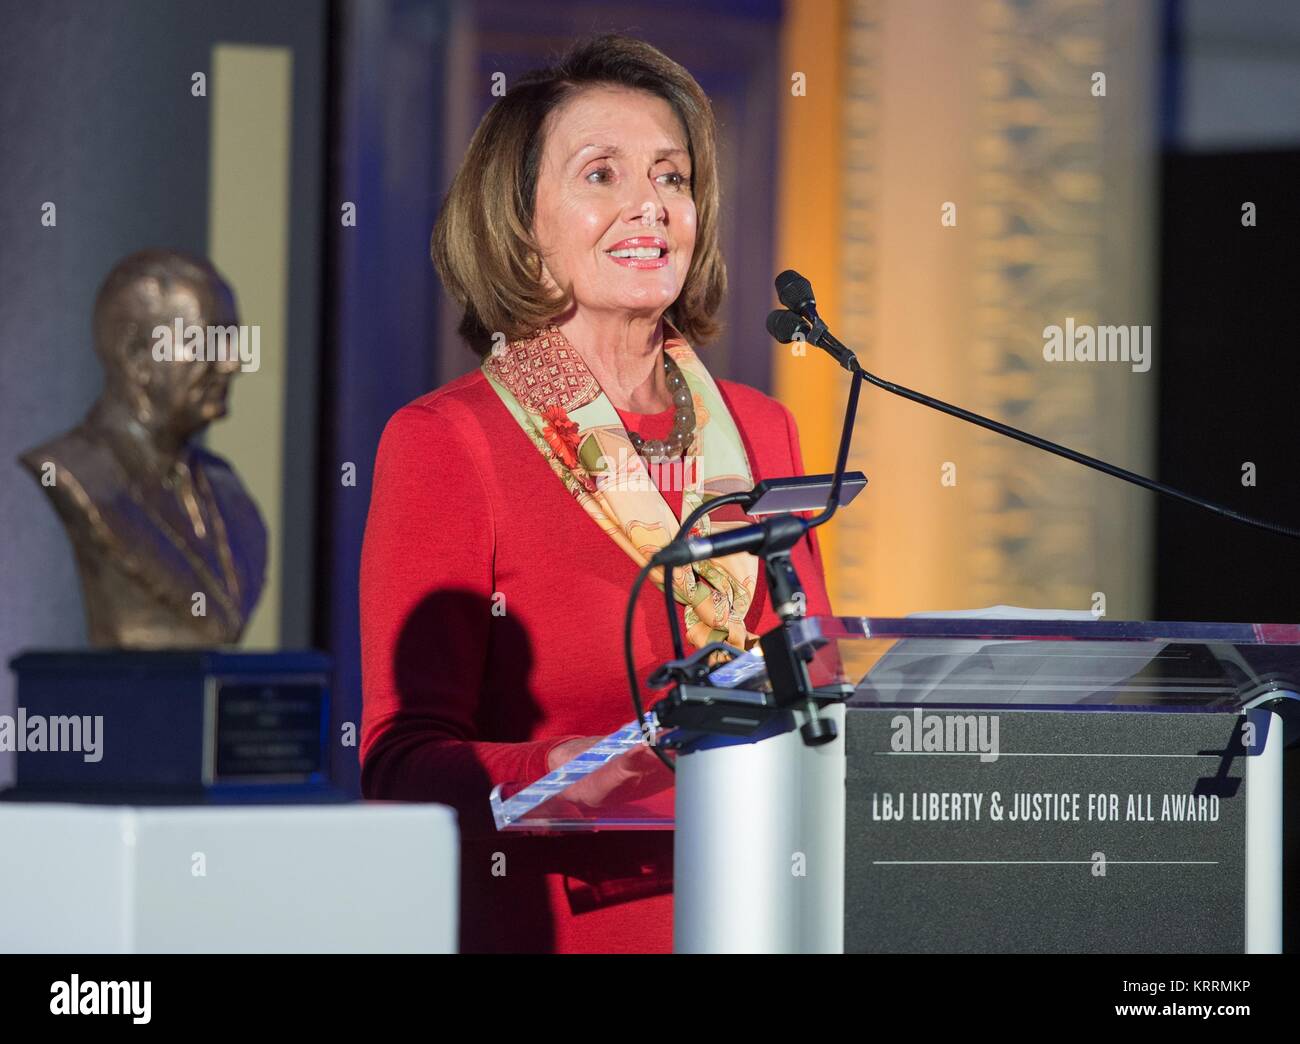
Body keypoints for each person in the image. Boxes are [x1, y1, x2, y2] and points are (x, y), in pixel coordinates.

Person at [359, 33, 833, 954]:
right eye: (603, 176)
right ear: (518, 220)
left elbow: (812, 684)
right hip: (562, 926)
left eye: (672, 176)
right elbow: (400, 760)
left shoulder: (760, 430)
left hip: (767, 911)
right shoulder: (449, 443)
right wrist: (552, 773)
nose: (650, 206)